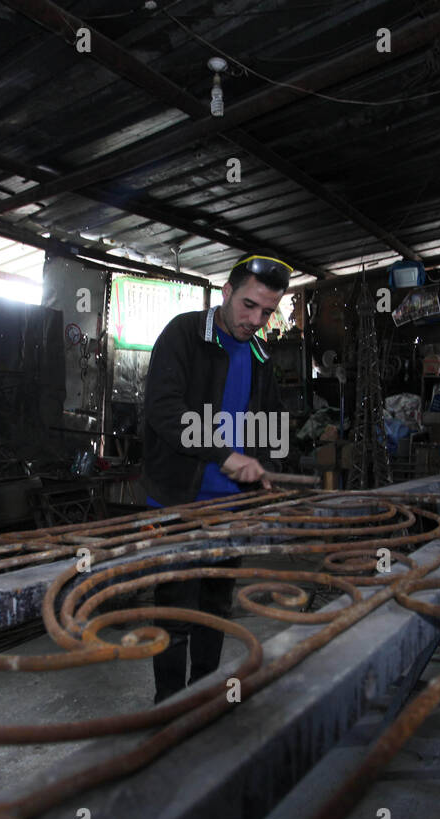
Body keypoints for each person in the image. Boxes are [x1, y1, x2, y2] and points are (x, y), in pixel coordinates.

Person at [140, 253, 292, 702]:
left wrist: (270, 469)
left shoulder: (261, 354)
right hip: (178, 503)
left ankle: (203, 695)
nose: (255, 320)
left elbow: (274, 423)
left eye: (266, 312)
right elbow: (164, 409)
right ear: (225, 293)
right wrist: (224, 455)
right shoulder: (184, 334)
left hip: (232, 507)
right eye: (248, 306)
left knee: (216, 609)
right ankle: (167, 709)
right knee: (174, 613)